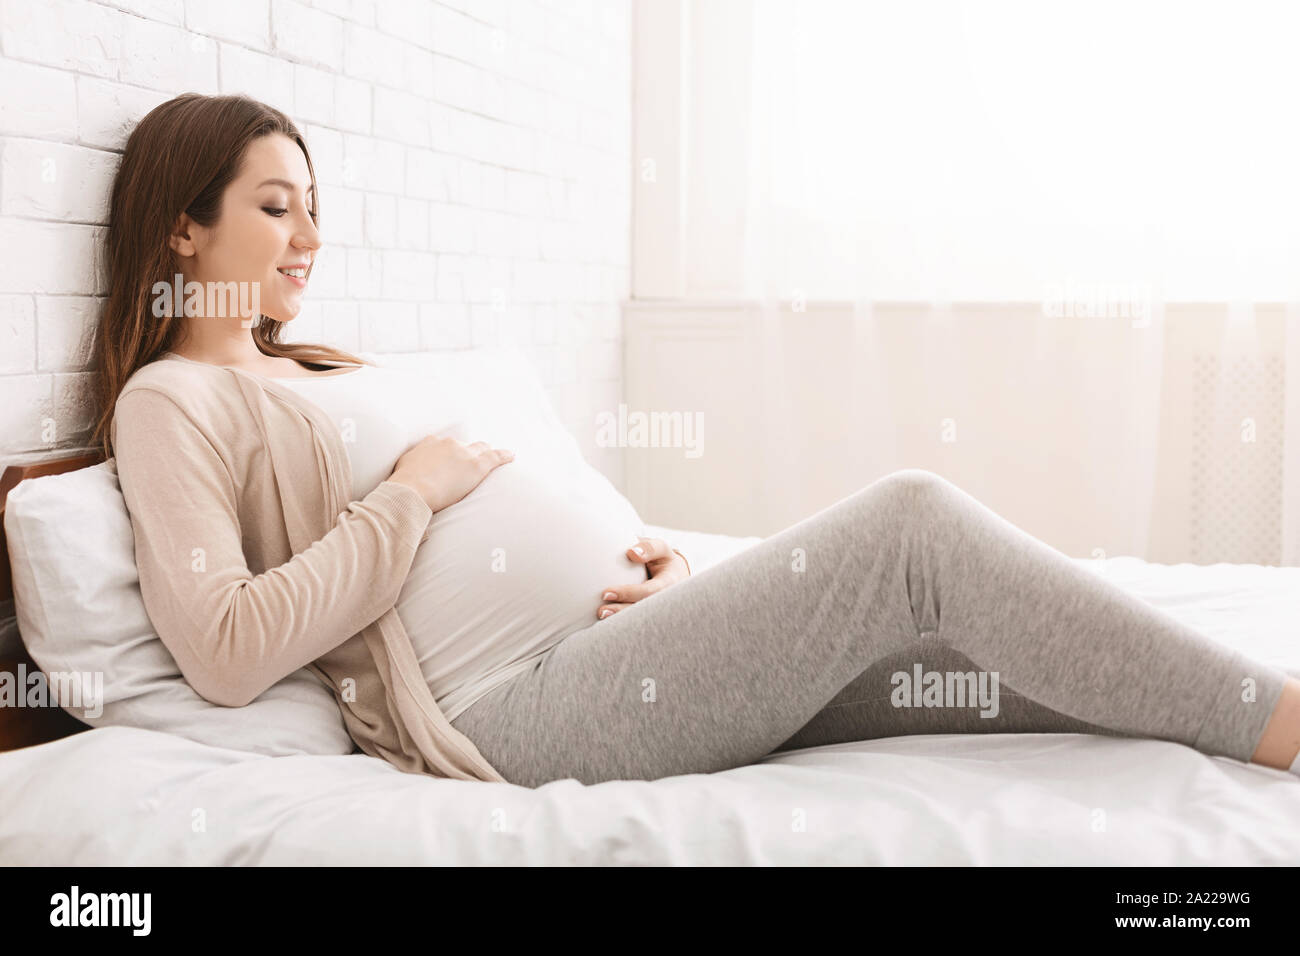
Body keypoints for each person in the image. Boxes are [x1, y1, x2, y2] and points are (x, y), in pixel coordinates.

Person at [93, 93, 1300, 789]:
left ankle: (1219, 715)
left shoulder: (318, 366)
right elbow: (226, 649)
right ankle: (1282, 720)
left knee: (959, 655)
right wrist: (409, 493)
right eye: (272, 204)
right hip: (512, 716)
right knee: (913, 525)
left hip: (614, 647)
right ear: (183, 231)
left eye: (315, 207)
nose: (309, 235)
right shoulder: (170, 403)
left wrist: (647, 564)